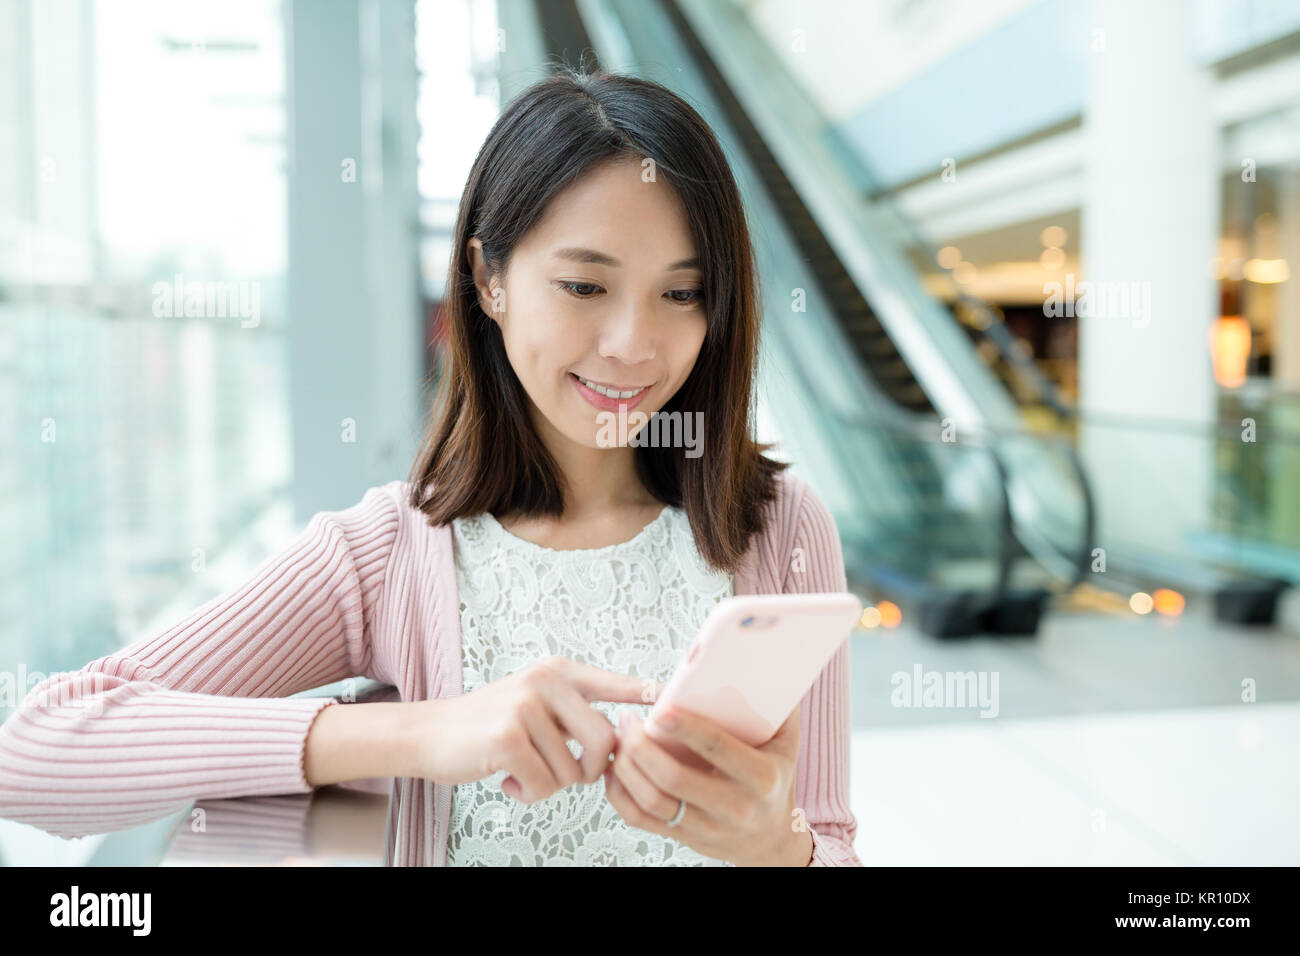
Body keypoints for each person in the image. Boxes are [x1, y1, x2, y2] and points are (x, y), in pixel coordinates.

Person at [0, 69, 860, 867]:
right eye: (585, 287)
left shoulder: (776, 526)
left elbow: (831, 841)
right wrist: (420, 733)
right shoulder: (386, 553)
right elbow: (35, 751)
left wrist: (780, 849)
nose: (635, 345)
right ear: (488, 279)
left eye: (682, 293)